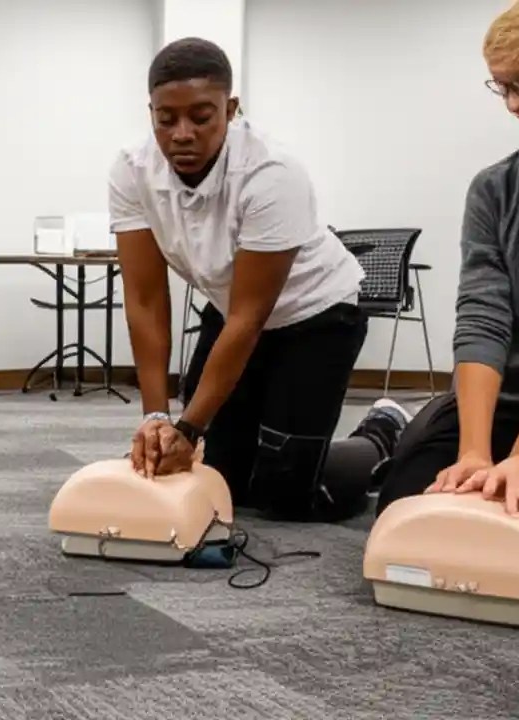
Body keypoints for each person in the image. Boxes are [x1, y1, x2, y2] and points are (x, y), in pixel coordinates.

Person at [110, 37, 412, 522]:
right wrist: (155, 417)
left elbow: (252, 317)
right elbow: (145, 299)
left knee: (287, 496)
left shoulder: (272, 173)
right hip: (231, 309)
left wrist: (189, 428)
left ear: (231, 109)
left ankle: (381, 431)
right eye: (166, 119)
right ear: (151, 112)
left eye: (202, 117)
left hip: (317, 315)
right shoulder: (132, 170)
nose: (181, 134)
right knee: (226, 484)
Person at [376, 0, 519, 525]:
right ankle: (378, 434)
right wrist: (474, 455)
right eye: (503, 86)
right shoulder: (494, 187)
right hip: (513, 392)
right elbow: (482, 316)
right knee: (407, 499)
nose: (515, 102)